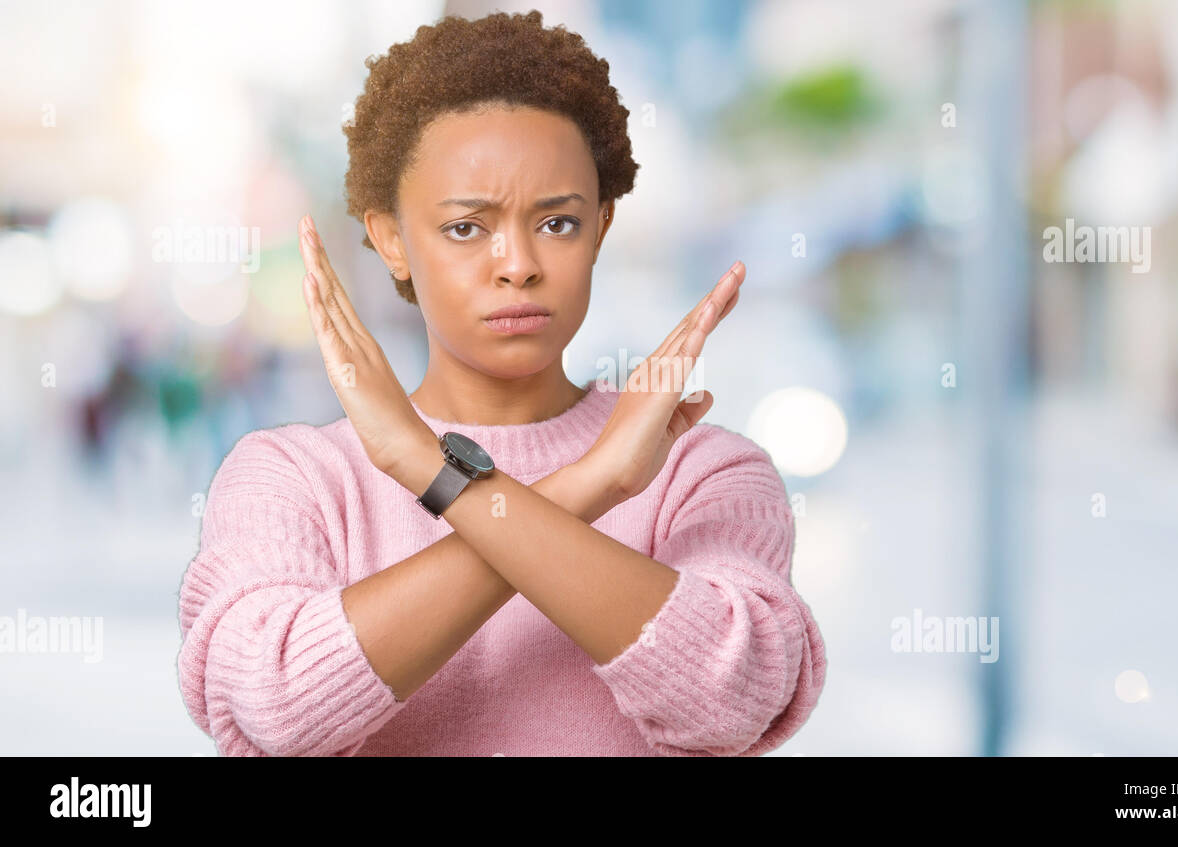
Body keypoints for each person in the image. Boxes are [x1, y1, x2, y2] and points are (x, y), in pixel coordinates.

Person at [176, 9, 826, 756]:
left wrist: (430, 467)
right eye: (466, 227)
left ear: (602, 228)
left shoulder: (702, 471)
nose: (518, 264)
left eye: (558, 224)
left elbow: (730, 697)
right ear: (391, 238)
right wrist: (588, 486)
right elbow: (276, 707)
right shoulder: (294, 479)